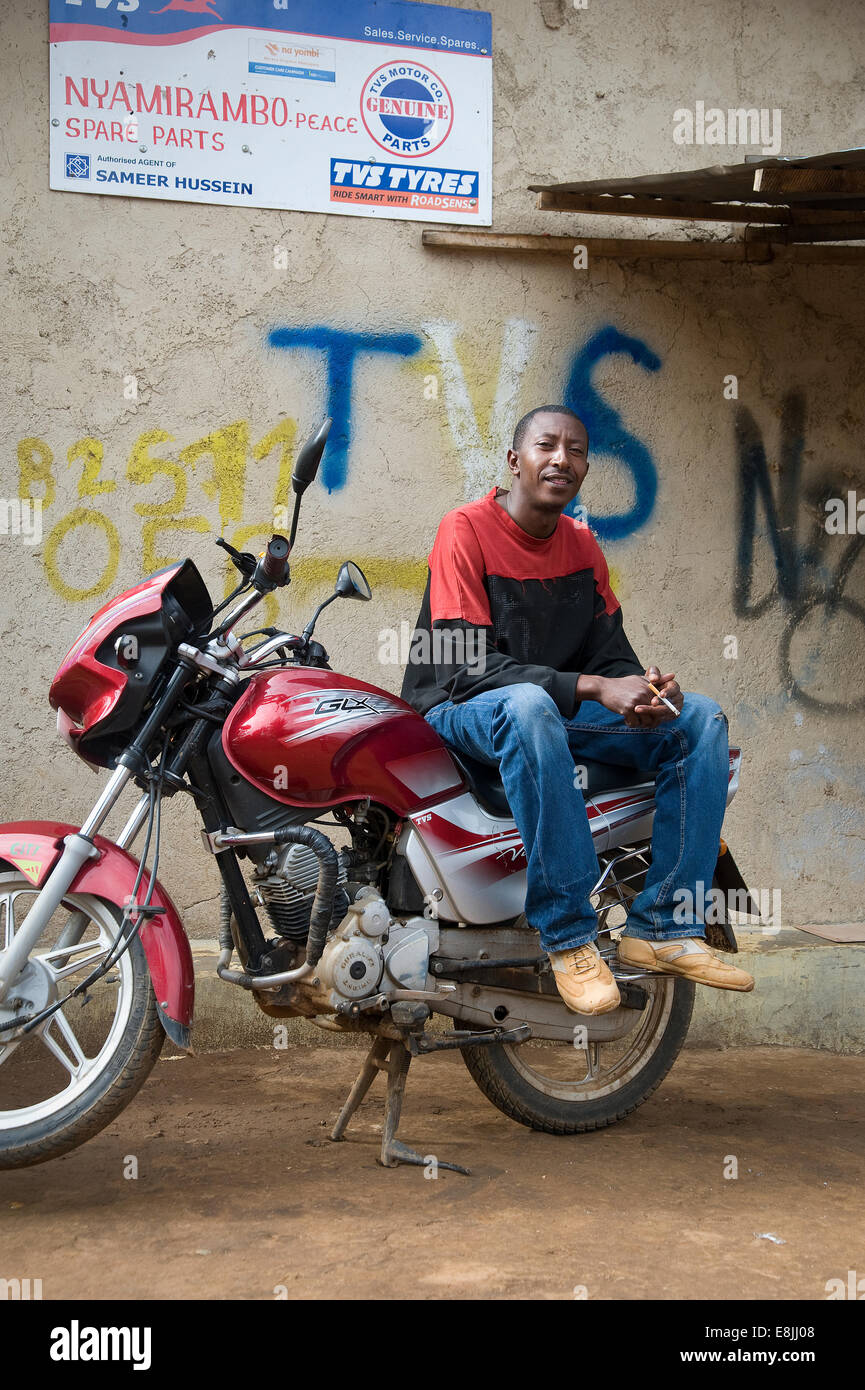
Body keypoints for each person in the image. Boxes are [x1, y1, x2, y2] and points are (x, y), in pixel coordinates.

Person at [400, 405, 754, 1015]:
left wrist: (643, 691)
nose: (561, 458)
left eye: (577, 449)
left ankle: (664, 927)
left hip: (547, 711)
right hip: (459, 711)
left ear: (586, 468)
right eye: (546, 445)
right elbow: (466, 666)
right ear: (516, 461)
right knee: (527, 703)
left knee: (699, 719)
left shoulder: (583, 546)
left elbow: (610, 656)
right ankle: (568, 936)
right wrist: (594, 688)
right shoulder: (464, 529)